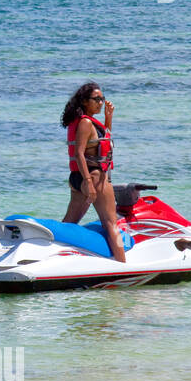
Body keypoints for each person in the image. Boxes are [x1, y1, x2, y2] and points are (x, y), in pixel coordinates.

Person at [60, 81, 127, 262]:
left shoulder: (84, 122)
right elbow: (79, 153)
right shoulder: (86, 123)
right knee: (111, 224)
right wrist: (89, 183)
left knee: (68, 224)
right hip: (94, 177)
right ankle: (123, 266)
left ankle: (52, 258)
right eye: (96, 99)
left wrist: (108, 118)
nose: (100, 102)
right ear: (84, 101)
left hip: (77, 179)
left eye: (102, 99)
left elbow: (103, 140)